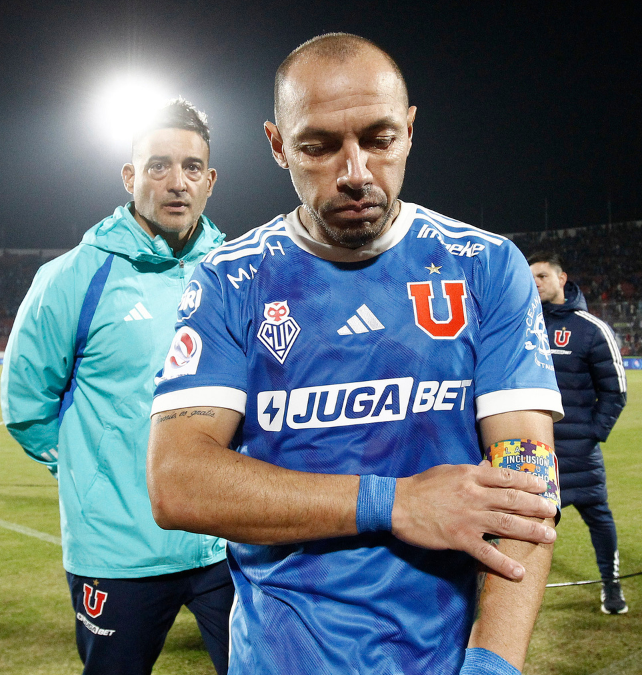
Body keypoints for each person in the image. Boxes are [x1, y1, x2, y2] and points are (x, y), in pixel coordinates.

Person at [148, 34, 563, 675]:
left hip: (447, 659)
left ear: (411, 130)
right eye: (319, 146)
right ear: (278, 144)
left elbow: (528, 478)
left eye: (379, 139)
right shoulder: (230, 279)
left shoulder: (484, 265)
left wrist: (494, 663)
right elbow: (176, 481)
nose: (355, 172)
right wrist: (393, 503)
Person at [2, 98, 232, 675]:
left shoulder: (235, 272)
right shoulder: (73, 277)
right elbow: (26, 407)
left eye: (191, 167)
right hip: (118, 551)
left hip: (227, 542)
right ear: (130, 177)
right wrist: (96, 473)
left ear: (210, 181)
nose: (175, 182)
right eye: (158, 165)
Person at [528, 250, 628, 614]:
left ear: (561, 278)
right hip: (534, 452)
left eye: (542, 276)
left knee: (599, 520)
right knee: (520, 526)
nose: (535, 283)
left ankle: (611, 586)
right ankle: (506, 600)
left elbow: (616, 391)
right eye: (531, 277)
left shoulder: (590, 328)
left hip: (579, 454)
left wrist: (590, 435)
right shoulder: (522, 324)